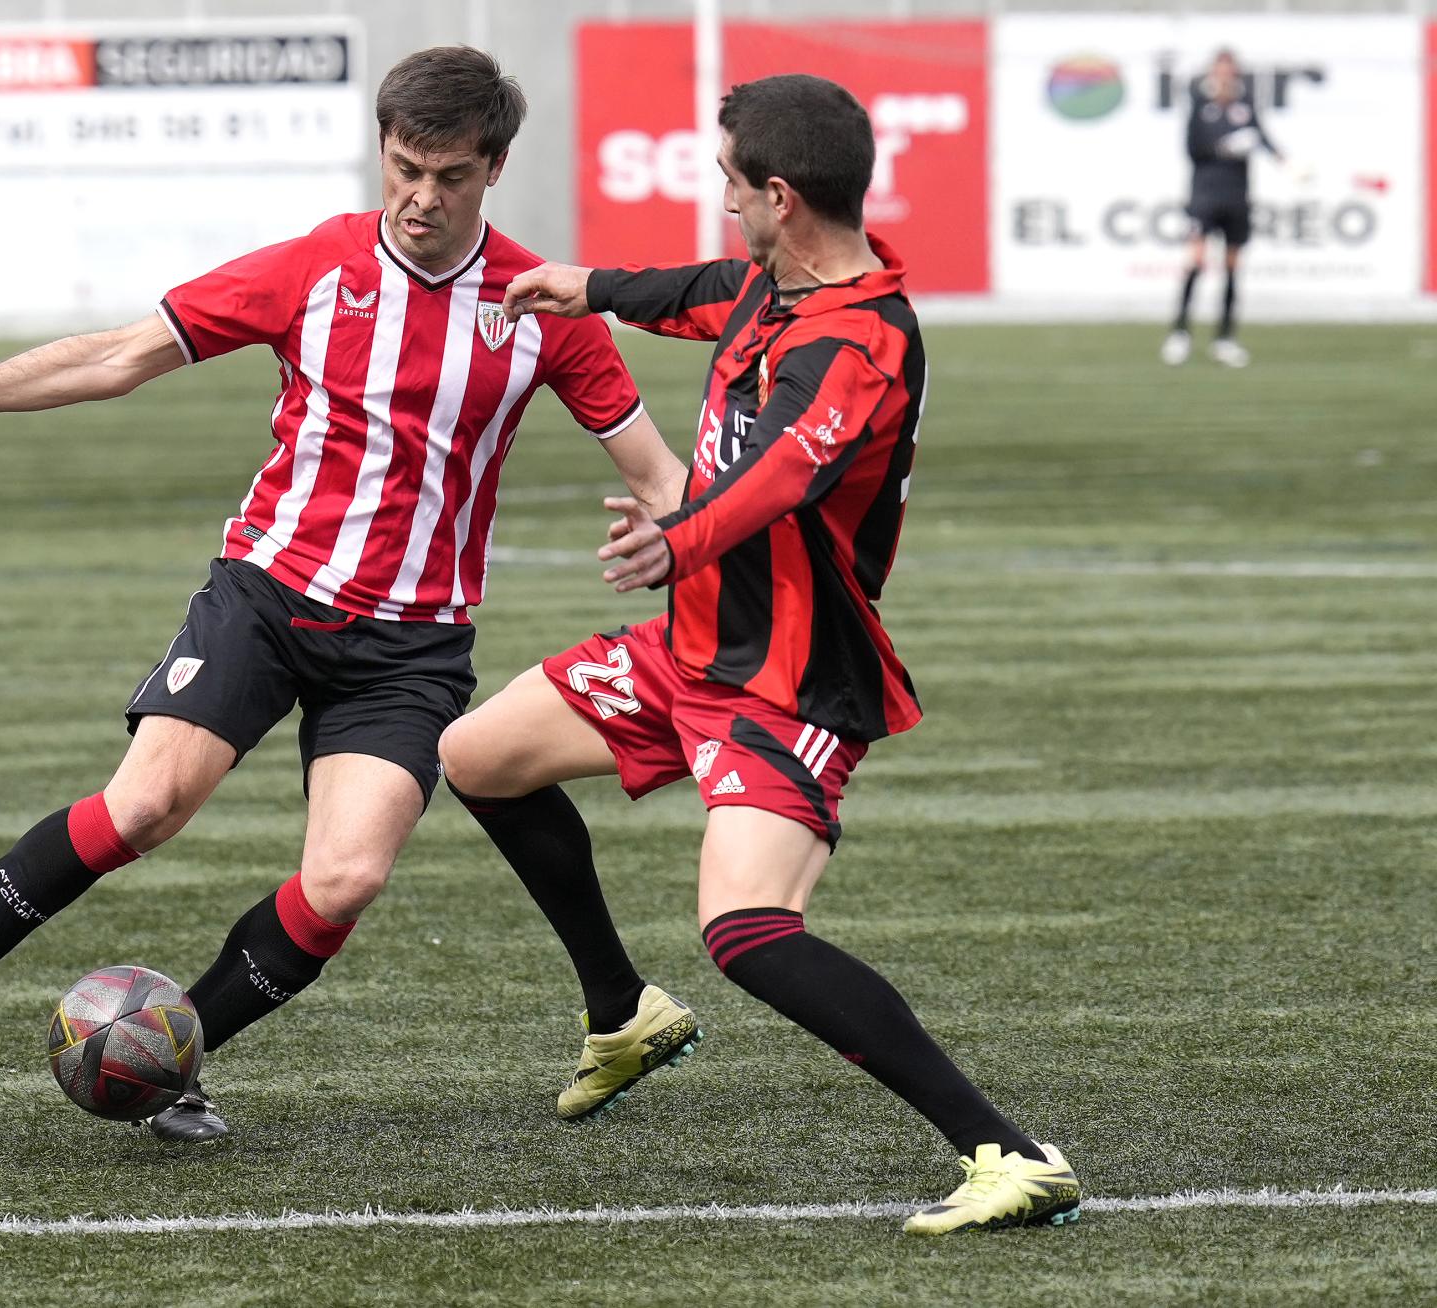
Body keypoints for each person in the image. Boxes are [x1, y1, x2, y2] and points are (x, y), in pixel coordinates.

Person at [0, 47, 688, 1143]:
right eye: (404, 167)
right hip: (267, 596)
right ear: (382, 149)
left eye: (449, 176)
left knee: (347, 877)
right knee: (144, 807)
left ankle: (174, 1062)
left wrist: (687, 529)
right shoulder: (315, 267)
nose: (420, 197)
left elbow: (663, 478)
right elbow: (119, 357)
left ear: (494, 168)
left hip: (412, 647)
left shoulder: (544, 308)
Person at [438, 73, 1082, 1236]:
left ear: (778, 195)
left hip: (788, 686)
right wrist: (580, 286)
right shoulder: (773, 287)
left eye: (730, 183)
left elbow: (786, 470)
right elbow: (693, 290)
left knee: (746, 933)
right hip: (687, 656)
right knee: (479, 754)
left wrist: (672, 536)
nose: (723, 201)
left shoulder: (861, 344)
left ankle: (1008, 1151)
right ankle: (623, 1010)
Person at [1162, 49, 1283, 369]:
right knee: (1197, 261)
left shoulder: (1245, 109)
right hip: (1205, 197)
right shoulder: (1201, 109)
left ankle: (1225, 338)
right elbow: (1192, 150)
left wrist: (1282, 158)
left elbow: (1264, 139)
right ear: (1212, 75)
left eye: (1230, 72)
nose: (1225, 77)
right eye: (1220, 71)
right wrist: (1224, 147)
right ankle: (1180, 332)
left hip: (1236, 198)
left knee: (1232, 267)